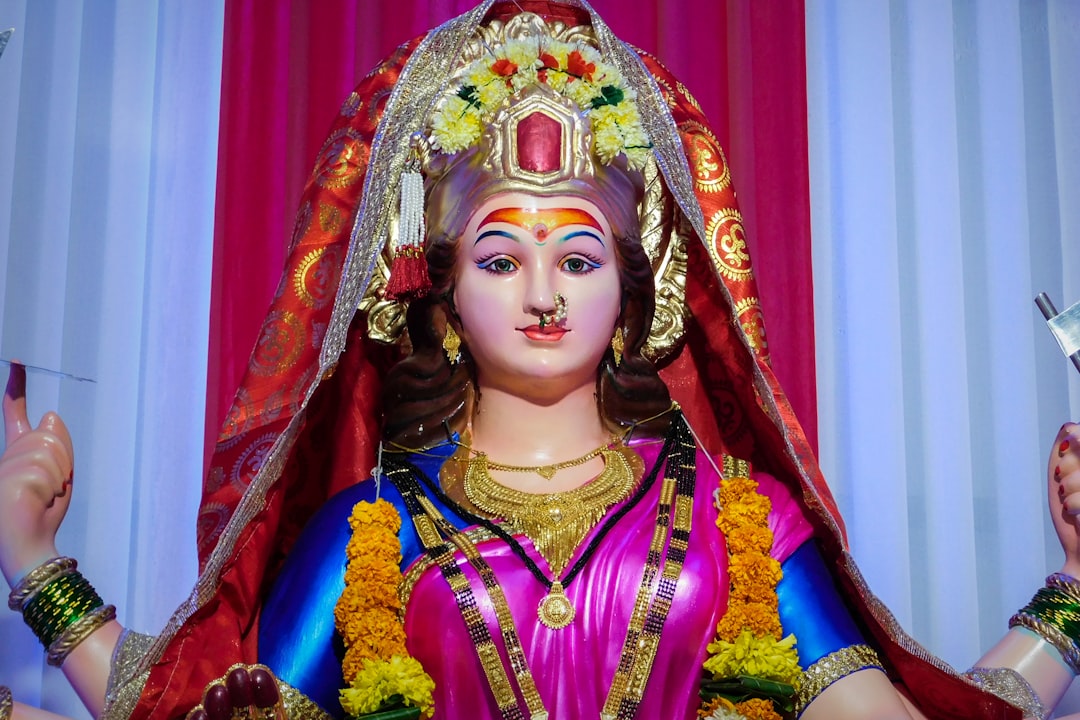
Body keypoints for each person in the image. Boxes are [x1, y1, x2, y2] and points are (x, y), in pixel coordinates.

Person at [1, 2, 1079, 719]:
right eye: (500, 258)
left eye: (577, 257)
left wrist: (1073, 595)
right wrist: (31, 560)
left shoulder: (738, 522)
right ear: (438, 288)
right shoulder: (371, 532)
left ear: (637, 283)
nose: (544, 294)